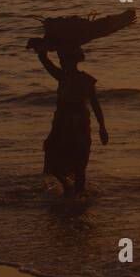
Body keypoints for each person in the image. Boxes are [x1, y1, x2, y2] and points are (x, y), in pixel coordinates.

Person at [36, 45, 107, 198]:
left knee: (80, 162)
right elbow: (45, 61)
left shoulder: (86, 80)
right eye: (61, 60)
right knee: (53, 158)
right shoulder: (61, 76)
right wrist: (41, 48)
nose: (62, 63)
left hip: (79, 125)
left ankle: (79, 196)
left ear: (74, 61)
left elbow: (95, 104)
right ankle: (68, 187)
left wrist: (102, 127)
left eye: (65, 60)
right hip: (62, 124)